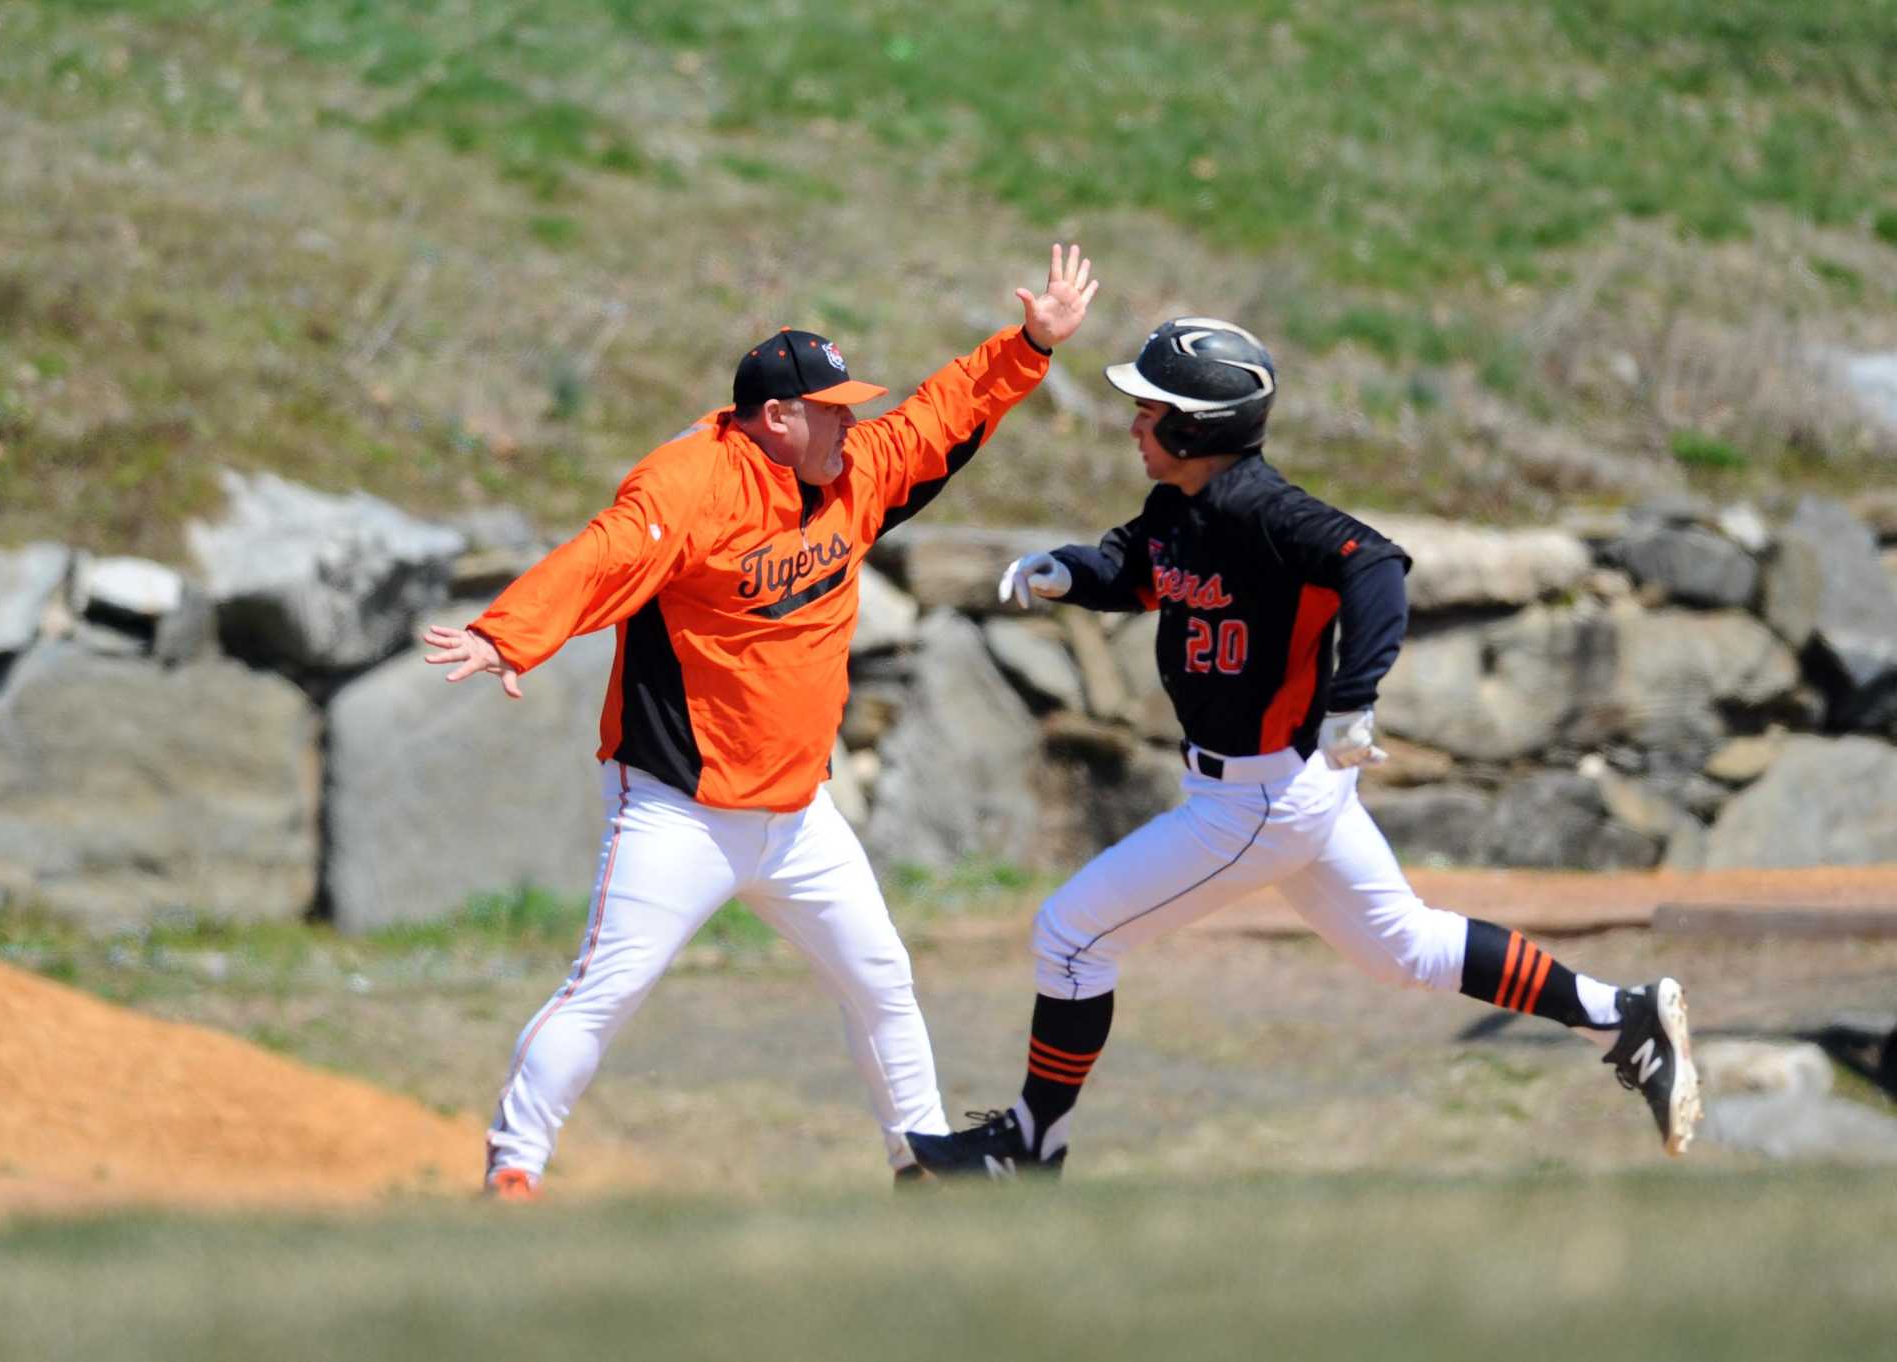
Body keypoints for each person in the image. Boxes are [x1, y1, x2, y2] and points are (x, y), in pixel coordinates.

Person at [904, 317, 1701, 1180]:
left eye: (1150, 408)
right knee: (1407, 949)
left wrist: (1354, 698)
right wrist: (1071, 571)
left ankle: (1032, 1144)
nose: (1135, 422)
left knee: (1069, 936)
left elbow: (1375, 565)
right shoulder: (1181, 506)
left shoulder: (1264, 509)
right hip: (1278, 793)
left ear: (1196, 427)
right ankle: (1620, 1016)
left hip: (1256, 801)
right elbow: (1141, 568)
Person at [422, 244, 1101, 1199]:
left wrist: (1029, 345)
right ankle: (514, 1167)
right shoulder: (689, 484)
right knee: (606, 991)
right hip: (680, 809)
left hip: (799, 816)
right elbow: (604, 555)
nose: (851, 421)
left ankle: (921, 1165)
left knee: (882, 981)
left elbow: (941, 415)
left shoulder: (852, 472)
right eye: (831, 410)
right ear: (775, 418)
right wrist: (509, 636)